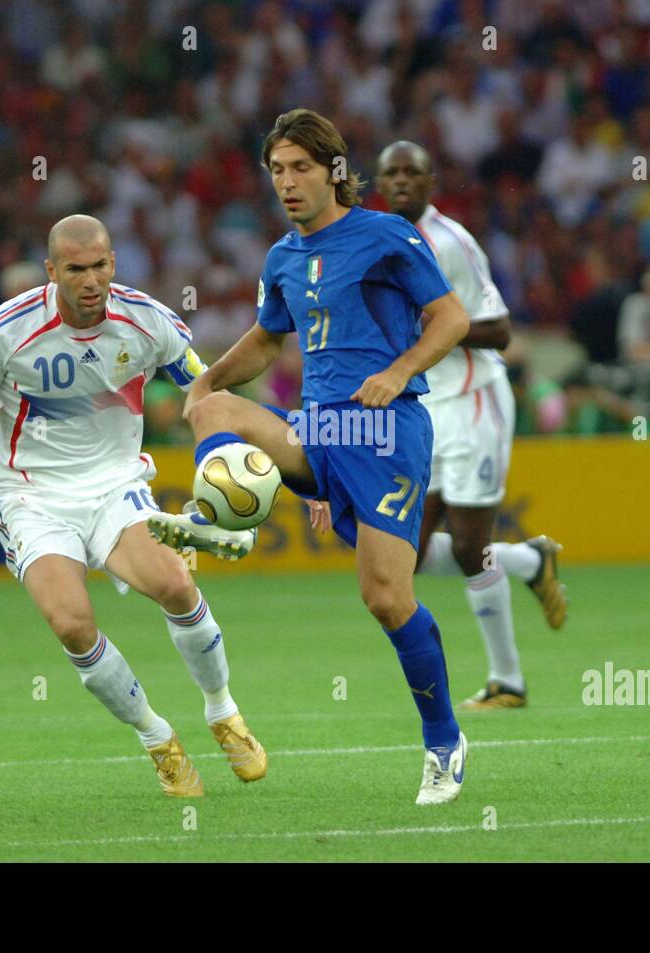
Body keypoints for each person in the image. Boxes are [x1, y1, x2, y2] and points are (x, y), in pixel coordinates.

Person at [147, 109, 473, 805]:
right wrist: (202, 378)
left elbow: (452, 317)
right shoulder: (282, 257)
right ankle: (219, 517)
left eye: (300, 168)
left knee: (385, 597)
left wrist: (397, 370)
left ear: (334, 171)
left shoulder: (387, 235)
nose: (287, 183)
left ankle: (445, 741)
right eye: (276, 170)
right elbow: (267, 343)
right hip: (318, 429)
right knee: (212, 407)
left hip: (384, 432)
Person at [0, 214, 266, 799]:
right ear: (52, 271)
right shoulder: (1, 334)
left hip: (114, 485)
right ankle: (157, 738)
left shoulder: (148, 321)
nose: (91, 281)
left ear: (114, 263)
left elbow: (208, 390)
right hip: (30, 494)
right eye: (76, 269)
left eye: (100, 266)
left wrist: (279, 460)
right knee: (71, 622)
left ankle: (223, 712)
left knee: (177, 587)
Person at [370, 138, 566, 714]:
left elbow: (500, 330)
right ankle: (532, 560)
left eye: (414, 171)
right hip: (426, 405)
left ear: (432, 182)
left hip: (474, 398)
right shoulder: (378, 238)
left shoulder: (452, 241)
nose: (403, 180)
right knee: (409, 550)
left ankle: (509, 680)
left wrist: (429, 332)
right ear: (379, 183)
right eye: (392, 172)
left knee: (472, 546)